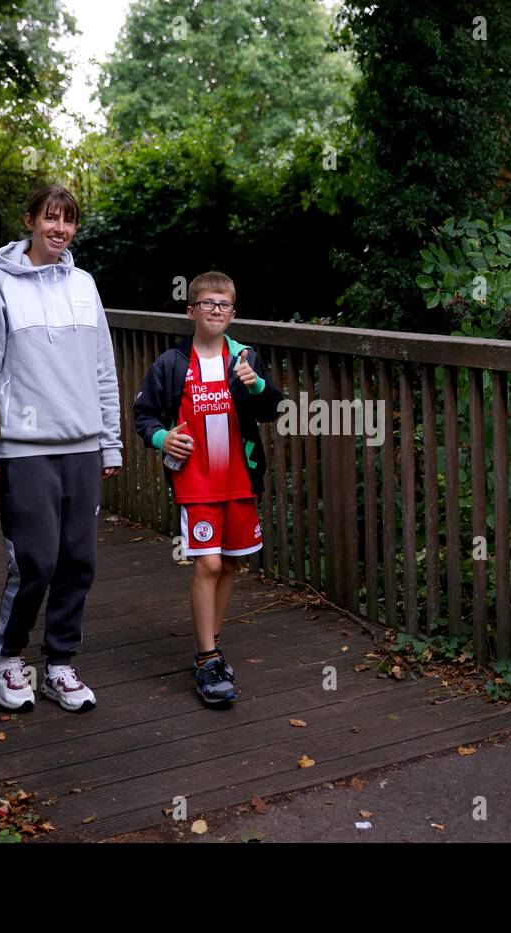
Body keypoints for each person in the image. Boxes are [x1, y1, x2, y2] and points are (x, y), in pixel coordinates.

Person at [0, 184, 121, 713]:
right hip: (24, 447)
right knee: (34, 559)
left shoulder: (84, 284)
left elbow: (104, 369)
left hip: (81, 445)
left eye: (69, 220)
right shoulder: (0, 284)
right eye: (50, 218)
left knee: (79, 559)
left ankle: (59, 664)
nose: (60, 228)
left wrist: (110, 442)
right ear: (30, 220)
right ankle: (7, 657)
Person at [133, 271, 283, 704]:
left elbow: (272, 407)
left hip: (240, 480)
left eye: (224, 305)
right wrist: (162, 438)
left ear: (233, 313)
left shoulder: (245, 358)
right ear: (191, 310)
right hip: (195, 481)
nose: (216, 311)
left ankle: (211, 645)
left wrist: (257, 385)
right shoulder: (172, 363)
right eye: (207, 303)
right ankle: (206, 658)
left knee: (233, 564)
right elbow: (145, 415)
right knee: (209, 566)